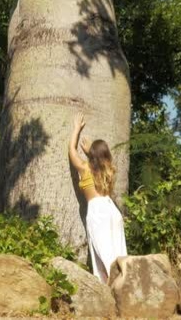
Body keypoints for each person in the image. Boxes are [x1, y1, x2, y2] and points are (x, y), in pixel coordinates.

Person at [68, 112, 126, 283]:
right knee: (118, 254)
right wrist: (91, 153)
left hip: (98, 212)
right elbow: (98, 163)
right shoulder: (108, 170)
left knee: (104, 256)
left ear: (91, 154)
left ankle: (109, 291)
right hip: (112, 211)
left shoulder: (85, 169)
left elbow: (71, 150)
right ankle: (124, 287)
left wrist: (76, 129)